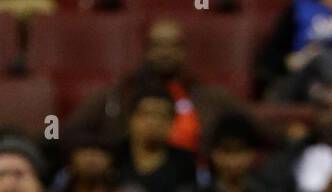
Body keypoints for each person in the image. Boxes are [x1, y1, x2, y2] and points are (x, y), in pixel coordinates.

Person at [65, 17, 239, 158]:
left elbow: (252, 127)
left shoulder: (211, 96)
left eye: (174, 45)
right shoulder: (116, 95)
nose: (165, 52)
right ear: (145, 51)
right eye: (157, 45)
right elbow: (68, 132)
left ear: (184, 51)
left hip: (194, 183)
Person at [257, 0, 332, 101]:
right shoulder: (299, 8)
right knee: (324, 58)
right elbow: (270, 59)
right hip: (308, 79)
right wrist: (293, 60)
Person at [116, 83, 197, 192]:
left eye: (162, 116)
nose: (153, 122)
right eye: (146, 114)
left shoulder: (185, 162)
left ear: (172, 123)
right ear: (130, 119)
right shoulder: (114, 158)